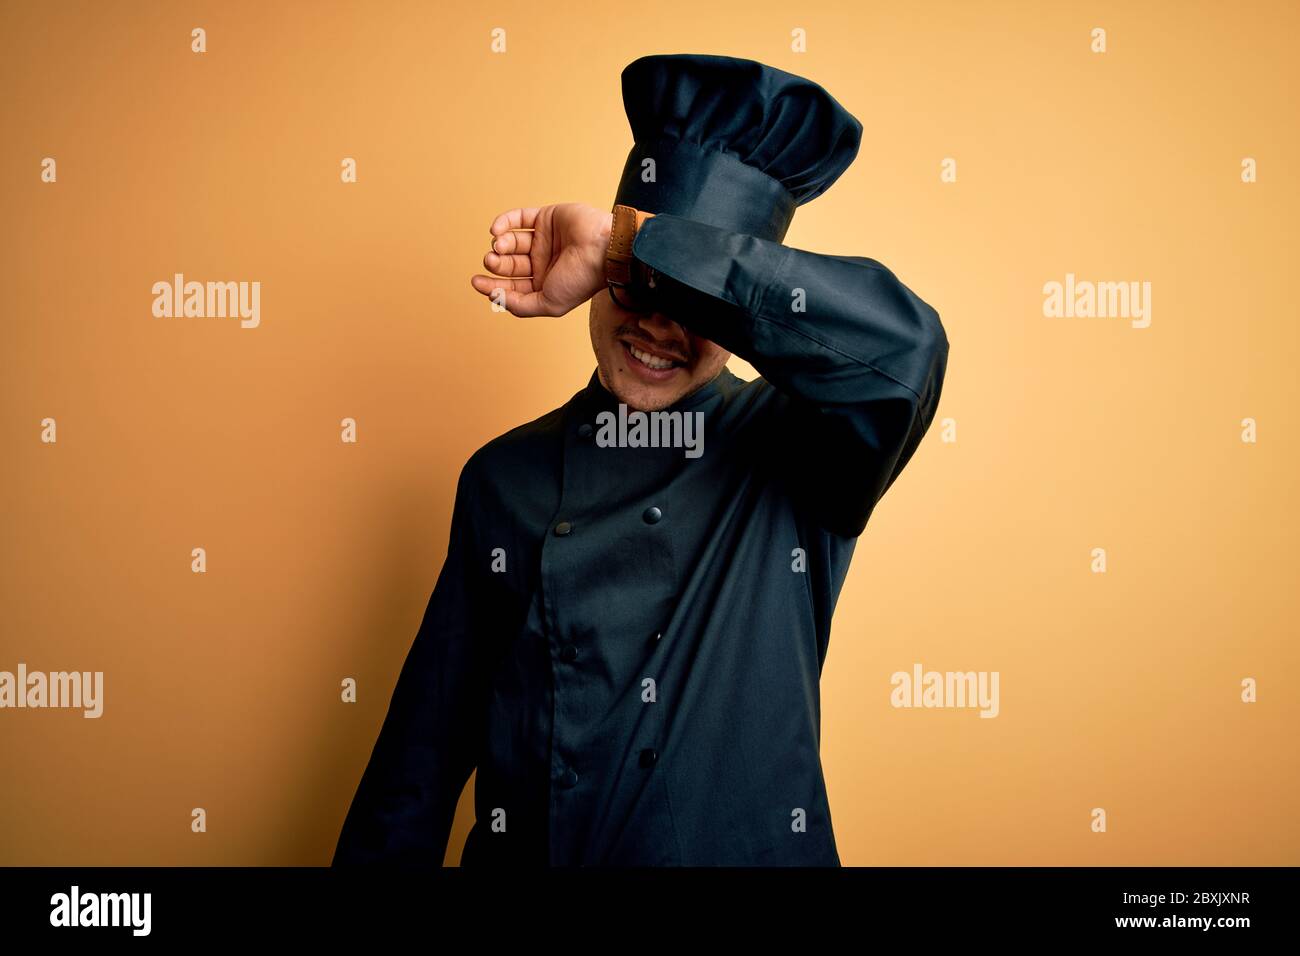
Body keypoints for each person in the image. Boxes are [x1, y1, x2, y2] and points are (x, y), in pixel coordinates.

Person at [332, 53, 949, 867]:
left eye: (689, 302)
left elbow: (908, 352)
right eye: (635, 288)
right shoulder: (503, 478)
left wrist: (634, 246)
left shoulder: (801, 445)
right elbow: (418, 762)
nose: (658, 327)